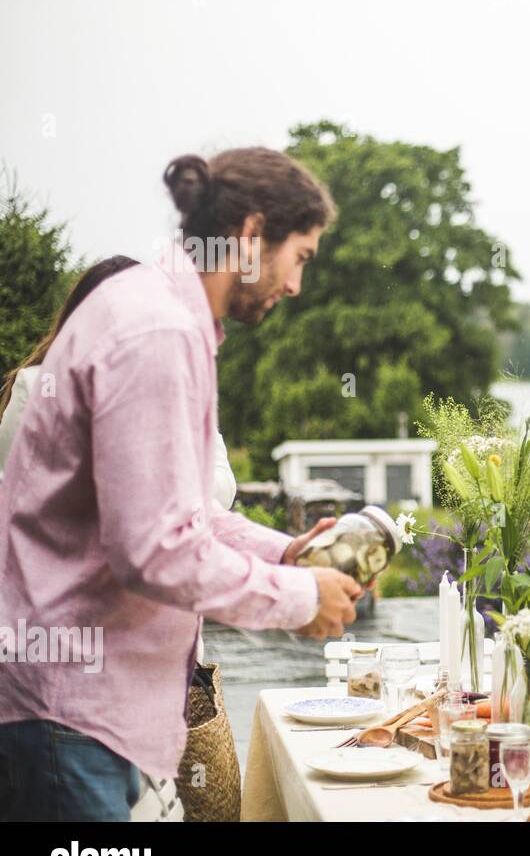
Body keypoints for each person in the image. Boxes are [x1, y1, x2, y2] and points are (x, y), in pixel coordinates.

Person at [0, 148, 363, 821]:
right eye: (302, 257)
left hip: (86, 716)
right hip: (68, 717)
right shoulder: (155, 332)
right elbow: (154, 550)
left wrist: (283, 553)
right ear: (253, 237)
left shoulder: (162, 317)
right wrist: (298, 596)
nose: (296, 286)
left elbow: (182, 511)